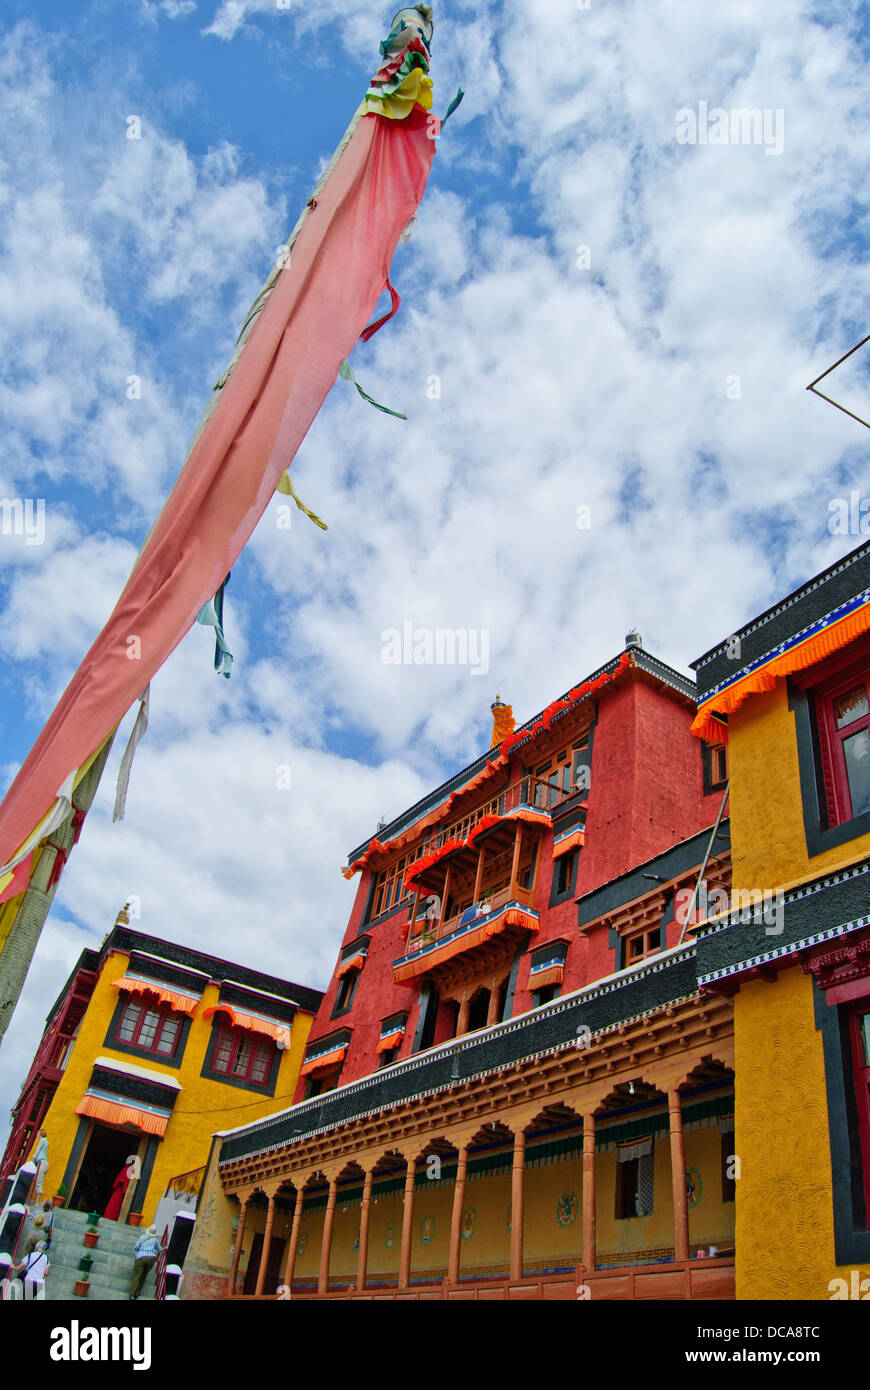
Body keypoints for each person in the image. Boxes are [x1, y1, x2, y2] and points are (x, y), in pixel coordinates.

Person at [129, 1225, 162, 1300]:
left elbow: (136, 1247)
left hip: (141, 1257)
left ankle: (132, 1295)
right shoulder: (155, 1240)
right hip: (151, 1258)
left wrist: (140, 1250)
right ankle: (138, 1292)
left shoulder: (143, 1237)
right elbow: (160, 1249)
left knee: (137, 1276)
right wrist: (164, 1248)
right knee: (144, 1275)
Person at [31, 1130, 48, 1203]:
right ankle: (35, 1201)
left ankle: (36, 1202)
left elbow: (37, 1150)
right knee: (37, 1181)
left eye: (38, 1133)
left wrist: (33, 1158)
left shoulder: (42, 1140)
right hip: (42, 1163)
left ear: (40, 1134)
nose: (37, 1135)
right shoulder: (45, 1141)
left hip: (42, 1162)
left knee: (38, 1181)